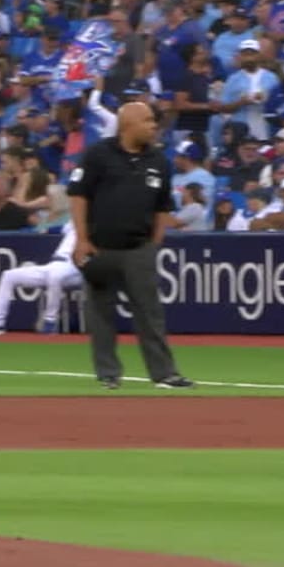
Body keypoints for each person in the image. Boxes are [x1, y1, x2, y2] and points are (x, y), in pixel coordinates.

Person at [66, 101, 193, 390]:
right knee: (100, 315)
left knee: (150, 314)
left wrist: (155, 244)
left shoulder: (159, 161)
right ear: (128, 125)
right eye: (147, 121)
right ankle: (108, 374)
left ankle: (164, 374)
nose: (153, 126)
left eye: (154, 121)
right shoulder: (98, 154)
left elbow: (163, 207)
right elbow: (78, 196)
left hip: (138, 249)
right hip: (100, 248)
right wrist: (82, 240)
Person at [0, 224, 84, 336]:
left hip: (75, 268)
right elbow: (56, 229)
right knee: (9, 276)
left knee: (55, 276)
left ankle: (50, 321)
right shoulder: (75, 223)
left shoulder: (96, 228)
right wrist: (38, 230)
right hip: (54, 264)